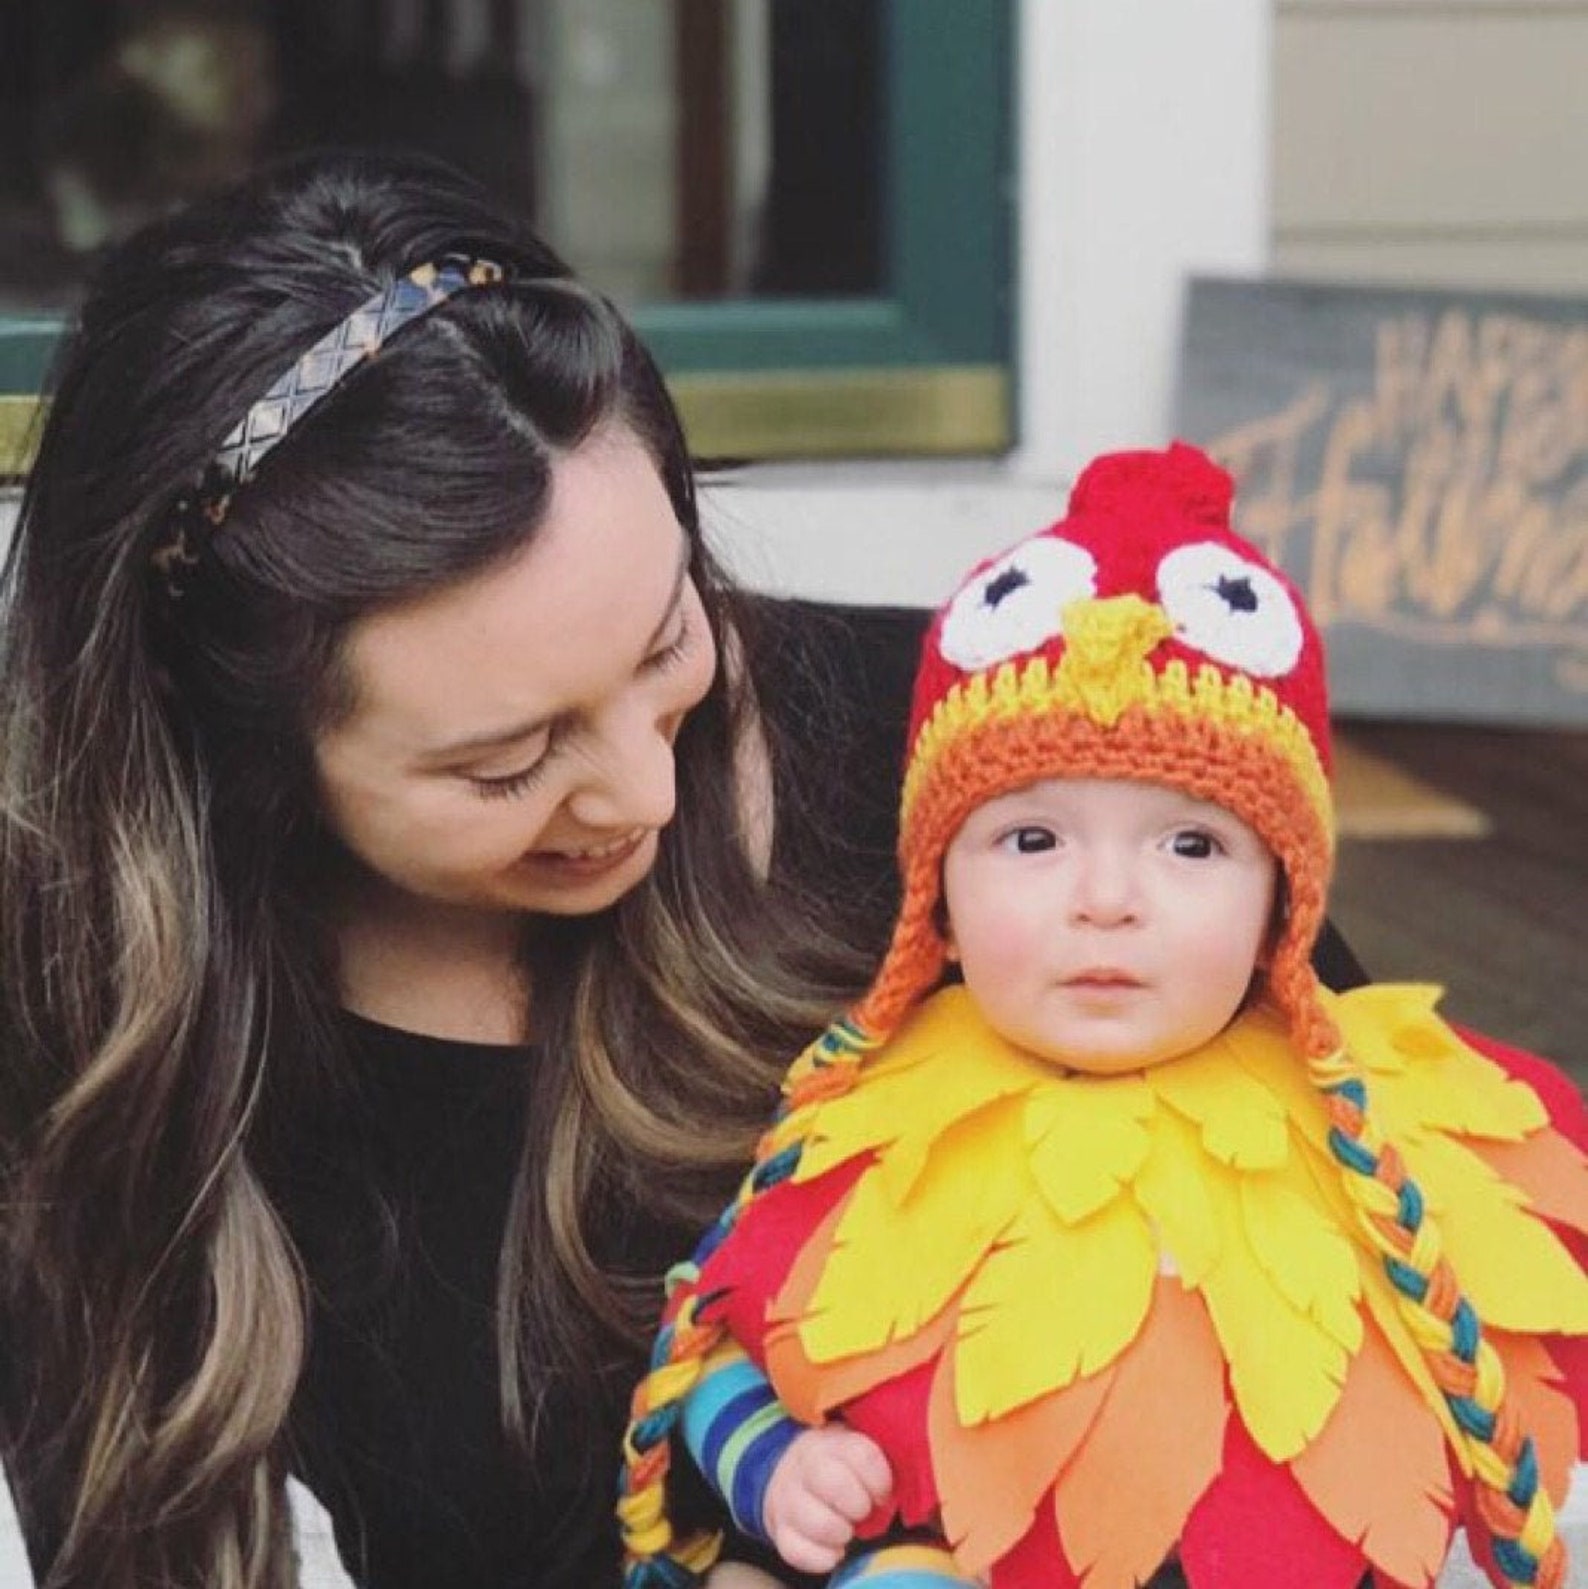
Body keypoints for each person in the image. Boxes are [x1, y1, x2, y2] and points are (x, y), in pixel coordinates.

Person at [0, 147, 892, 1589]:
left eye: (666, 635)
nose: (645, 792)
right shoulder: (101, 1077)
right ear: (239, 758)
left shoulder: (1011, 761)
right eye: (509, 763)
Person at [620, 444, 1588, 1589]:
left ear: (1283, 892)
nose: (1108, 898)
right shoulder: (872, 1116)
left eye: (1192, 843)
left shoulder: (1386, 1143)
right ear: (937, 883)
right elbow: (721, 1333)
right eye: (1031, 838)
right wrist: (778, 1466)